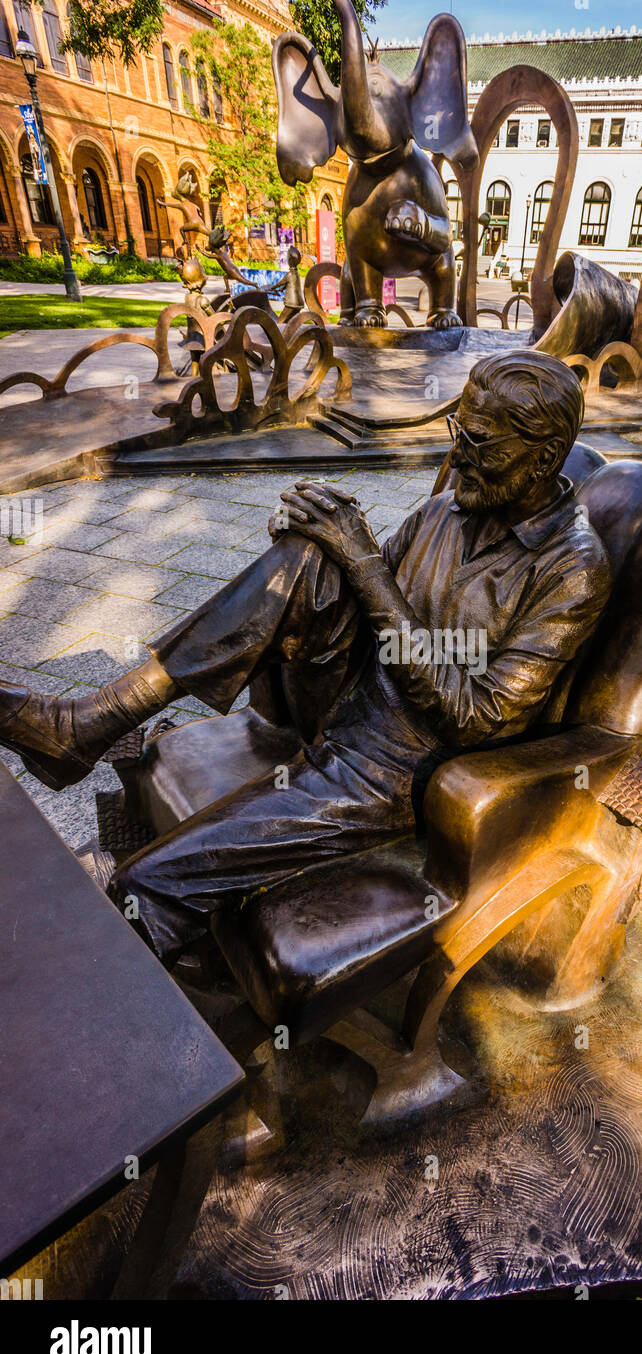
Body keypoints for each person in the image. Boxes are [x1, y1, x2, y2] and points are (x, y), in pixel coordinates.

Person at [0, 351, 610, 963]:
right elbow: (367, 595)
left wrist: (364, 562)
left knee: (146, 884)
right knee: (308, 557)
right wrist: (308, 536)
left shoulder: (573, 569)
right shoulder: (447, 509)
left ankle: (158, 1009)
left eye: (480, 440)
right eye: (459, 429)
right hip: (340, 696)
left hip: (401, 768)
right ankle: (91, 720)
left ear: (544, 458)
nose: (459, 452)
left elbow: (476, 717)